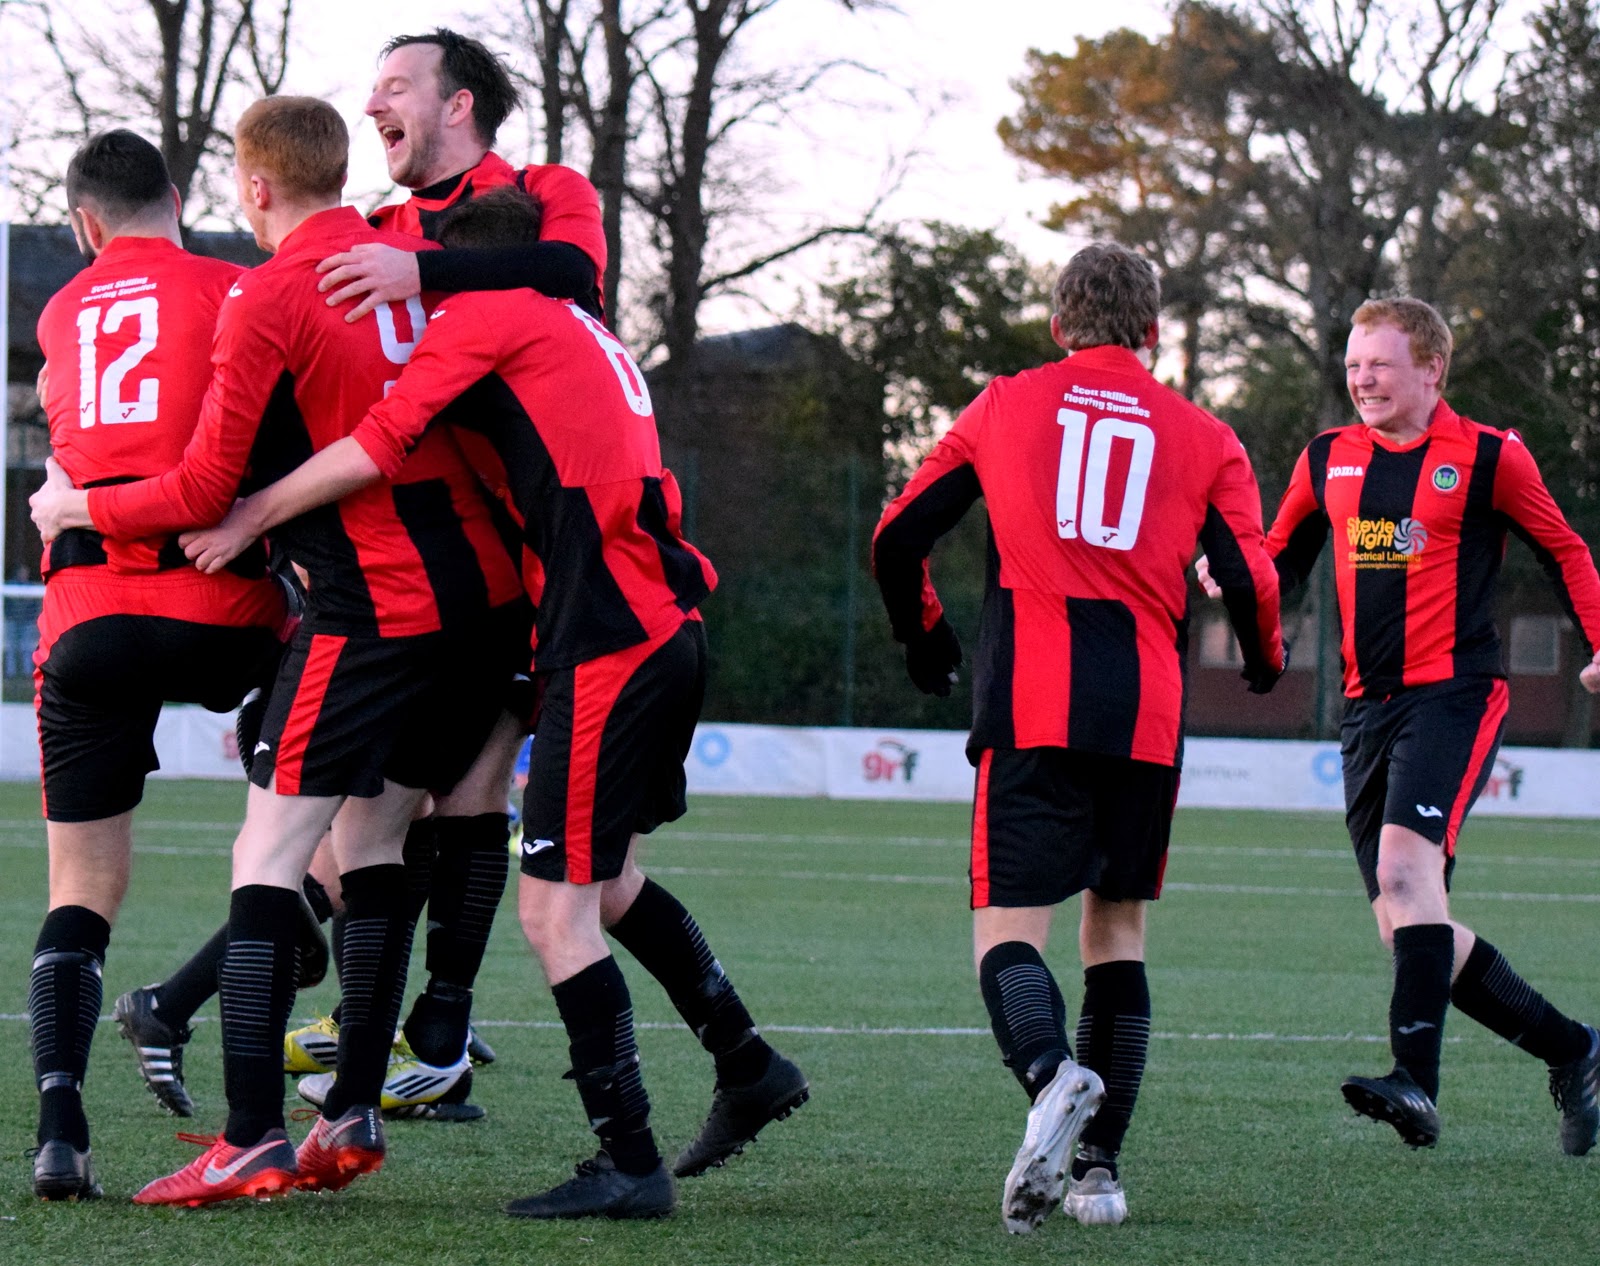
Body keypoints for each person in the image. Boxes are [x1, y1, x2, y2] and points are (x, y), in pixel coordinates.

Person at [179, 185, 811, 1221]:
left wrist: (254, 510)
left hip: (611, 640)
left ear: (458, 260)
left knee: (553, 910)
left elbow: (380, 443)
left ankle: (630, 1159)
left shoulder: (484, 317)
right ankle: (746, 1063)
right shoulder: (575, 320)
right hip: (656, 624)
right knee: (604, 887)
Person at [30, 95, 527, 1206]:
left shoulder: (262, 293)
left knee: (268, 852)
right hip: (490, 602)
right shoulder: (414, 257)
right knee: (377, 839)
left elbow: (207, 489)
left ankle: (250, 1130)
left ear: (254, 187)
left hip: (369, 607)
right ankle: (354, 1098)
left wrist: (75, 512)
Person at [873, 243, 1286, 1233]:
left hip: (1030, 705)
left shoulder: (1006, 404)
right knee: (1118, 934)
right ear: (1151, 331)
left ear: (1059, 324)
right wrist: (1263, 661)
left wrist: (924, 634)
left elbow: (896, 536)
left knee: (1008, 935)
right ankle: (1098, 1176)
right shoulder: (1204, 436)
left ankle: (1052, 1077)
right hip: (1142, 713)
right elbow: (1252, 578)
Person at [279, 27, 611, 1104]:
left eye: (393, 86)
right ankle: (398, 1032)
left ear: (457, 102)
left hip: (529, 563)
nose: (373, 105)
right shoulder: (368, 226)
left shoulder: (544, 190)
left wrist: (419, 266)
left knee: (465, 801)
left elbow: (572, 276)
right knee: (381, 812)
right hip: (408, 566)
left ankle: (439, 1033)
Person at [1201, 296, 1600, 1151]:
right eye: (1353, 364)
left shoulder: (1492, 458)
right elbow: (1282, 558)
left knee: (1408, 877)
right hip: (1365, 708)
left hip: (1455, 693)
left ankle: (1416, 1085)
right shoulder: (1325, 459)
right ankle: (1577, 1050)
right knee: (1407, 918)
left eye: (1380, 363)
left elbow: (1565, 549)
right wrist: (1233, 573)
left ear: (1431, 370)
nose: (1362, 377)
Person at [24, 129, 291, 1200]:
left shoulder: (55, 311)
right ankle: (237, 1031)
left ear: (85, 224)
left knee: (80, 887)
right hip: (230, 599)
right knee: (312, 851)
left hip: (86, 612)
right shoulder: (237, 287)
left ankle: (59, 1128)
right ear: (177, 198)